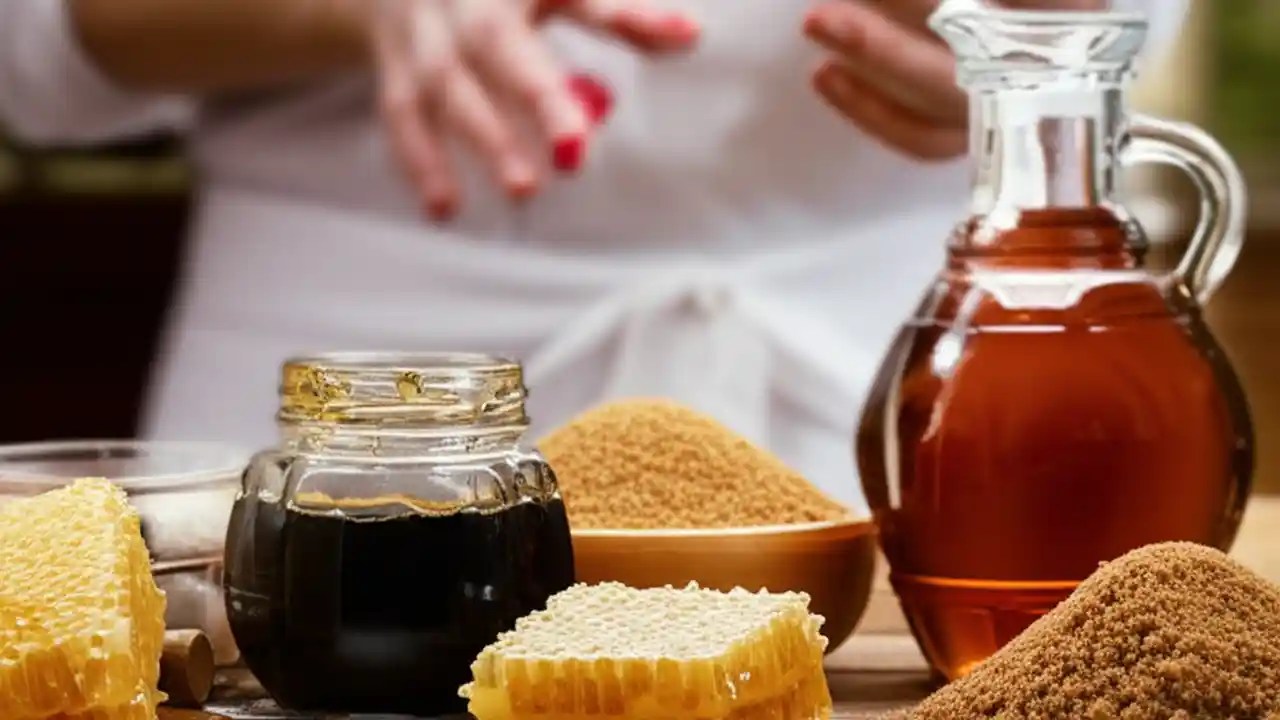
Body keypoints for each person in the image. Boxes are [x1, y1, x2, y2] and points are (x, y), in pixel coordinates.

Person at [0, 0, 1186, 508]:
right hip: (338, 427)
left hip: (893, 409)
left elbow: (1121, 21)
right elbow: (32, 51)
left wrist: (1029, 52)